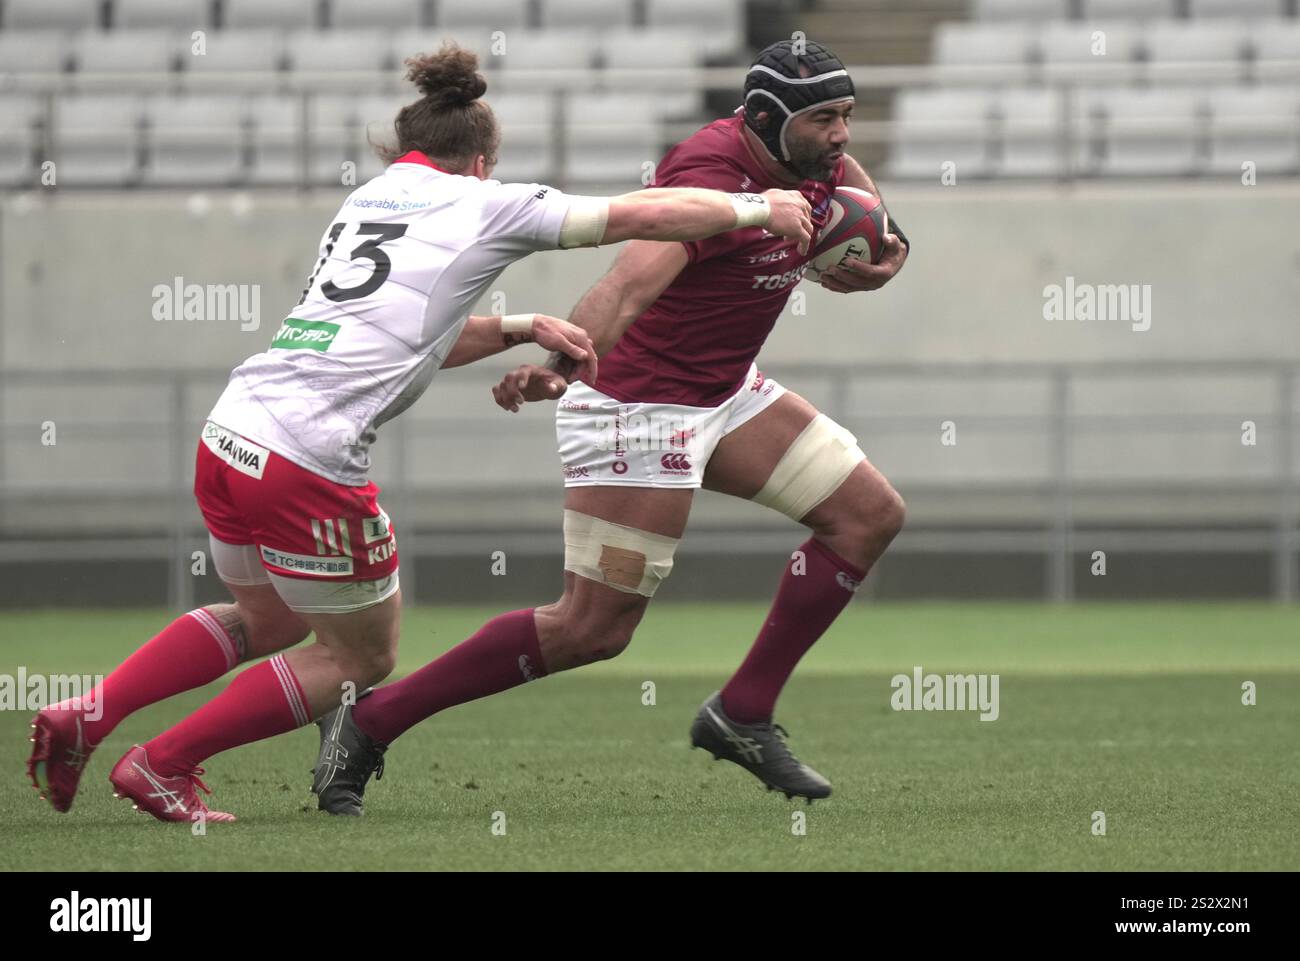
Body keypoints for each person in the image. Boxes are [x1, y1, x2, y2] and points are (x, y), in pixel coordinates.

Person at [25, 42, 813, 823]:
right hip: (307, 459)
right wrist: (758, 207)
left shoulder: (367, 200)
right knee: (359, 657)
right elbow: (640, 213)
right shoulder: (486, 203)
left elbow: (399, 331)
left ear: (408, 147)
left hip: (233, 430)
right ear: (482, 159)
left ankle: (87, 713)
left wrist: (515, 326)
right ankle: (163, 763)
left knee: (267, 618)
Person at [310, 39, 908, 815]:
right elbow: (623, 287)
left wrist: (889, 244)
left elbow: (857, 194)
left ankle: (744, 712)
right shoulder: (709, 177)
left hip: (724, 396)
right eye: (825, 118)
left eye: (847, 117)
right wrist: (560, 372)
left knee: (867, 517)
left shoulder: (805, 154)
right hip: (638, 407)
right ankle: (371, 720)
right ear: (766, 117)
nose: (841, 136)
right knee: (591, 630)